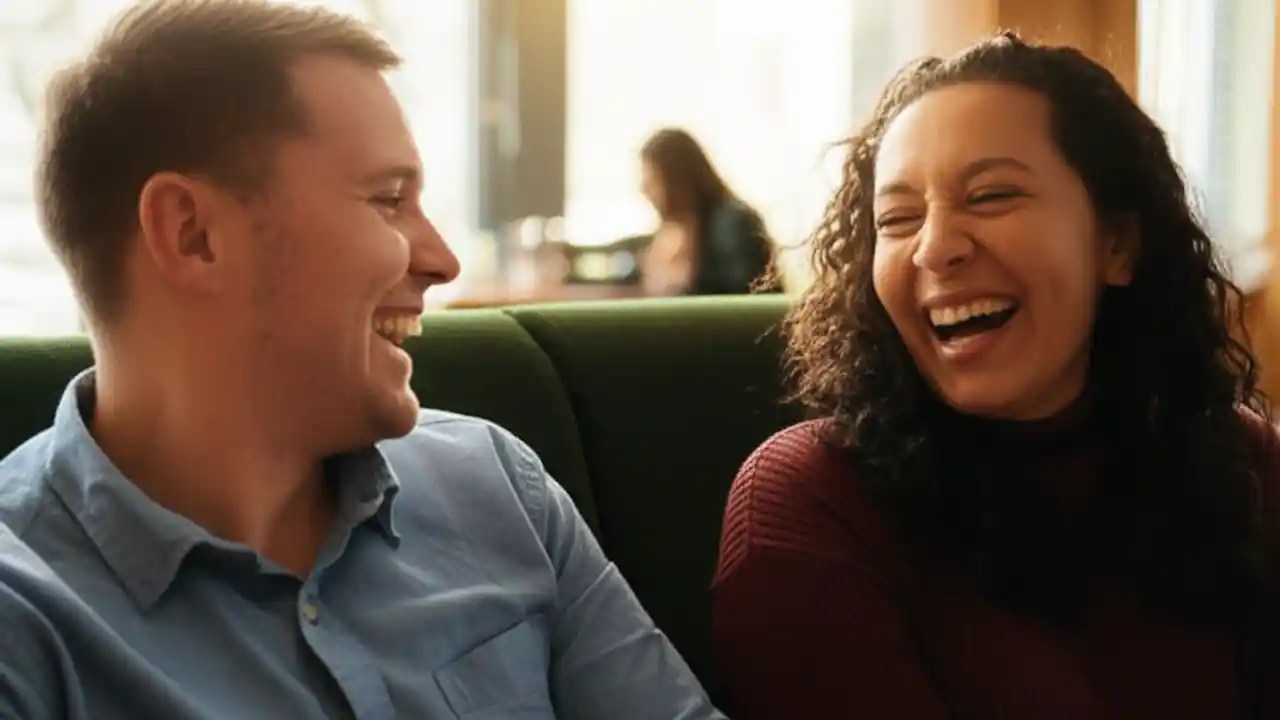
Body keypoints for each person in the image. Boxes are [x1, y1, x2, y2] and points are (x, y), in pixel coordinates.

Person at [0, 2, 723, 718]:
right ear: (193, 234)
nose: (440, 261)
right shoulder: (24, 618)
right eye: (387, 200)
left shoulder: (501, 490)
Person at [712, 32, 1280, 720]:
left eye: (990, 196)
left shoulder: (1239, 463)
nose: (936, 247)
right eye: (897, 218)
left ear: (1118, 244)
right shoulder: (812, 500)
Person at [637, 128, 779, 296]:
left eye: (654, 181)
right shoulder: (670, 235)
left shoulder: (732, 224)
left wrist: (682, 286)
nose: (644, 190)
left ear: (676, 179)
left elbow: (747, 292)